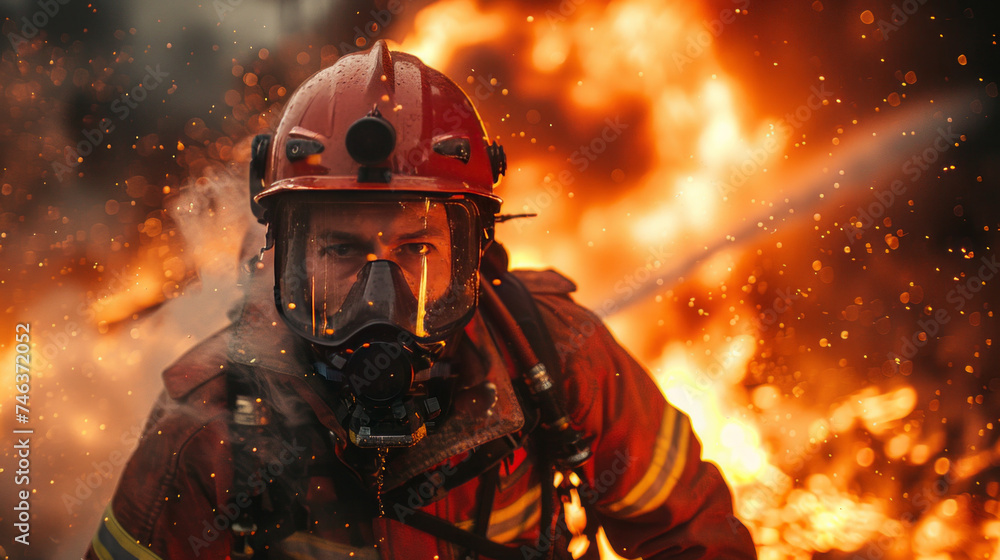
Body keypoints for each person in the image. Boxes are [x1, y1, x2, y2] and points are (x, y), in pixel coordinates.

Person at [85, 40, 757, 560]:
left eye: (417, 249)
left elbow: (694, 537)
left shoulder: (557, 357)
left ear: (474, 252)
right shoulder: (208, 427)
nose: (381, 301)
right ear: (283, 258)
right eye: (342, 251)